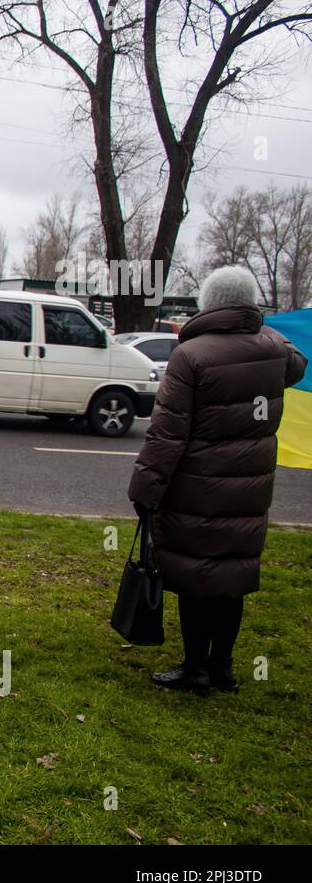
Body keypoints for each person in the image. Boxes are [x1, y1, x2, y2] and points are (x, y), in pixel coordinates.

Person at [129, 265, 306, 693]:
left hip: (198, 487)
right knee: (231, 580)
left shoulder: (192, 355)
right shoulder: (274, 350)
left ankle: (195, 669)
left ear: (208, 303)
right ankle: (223, 668)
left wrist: (146, 488)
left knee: (196, 577)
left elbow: (168, 432)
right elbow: (297, 364)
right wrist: (262, 328)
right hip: (250, 489)